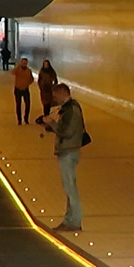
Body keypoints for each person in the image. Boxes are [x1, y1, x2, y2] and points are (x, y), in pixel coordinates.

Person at [41, 83, 86, 232]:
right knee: (68, 186)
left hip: (69, 151)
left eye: (55, 96)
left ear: (62, 93)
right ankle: (69, 219)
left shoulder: (72, 110)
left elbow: (66, 131)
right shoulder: (68, 108)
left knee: (70, 187)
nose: (54, 99)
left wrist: (52, 123)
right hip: (67, 150)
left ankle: (74, 220)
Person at [10, 57, 35, 125]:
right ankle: (19, 119)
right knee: (18, 105)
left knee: (28, 104)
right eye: (23, 63)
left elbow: (31, 79)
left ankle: (26, 118)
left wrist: (27, 84)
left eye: (25, 63)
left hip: (25, 89)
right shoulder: (18, 69)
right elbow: (12, 72)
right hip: (18, 89)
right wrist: (18, 66)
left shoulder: (28, 70)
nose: (24, 64)